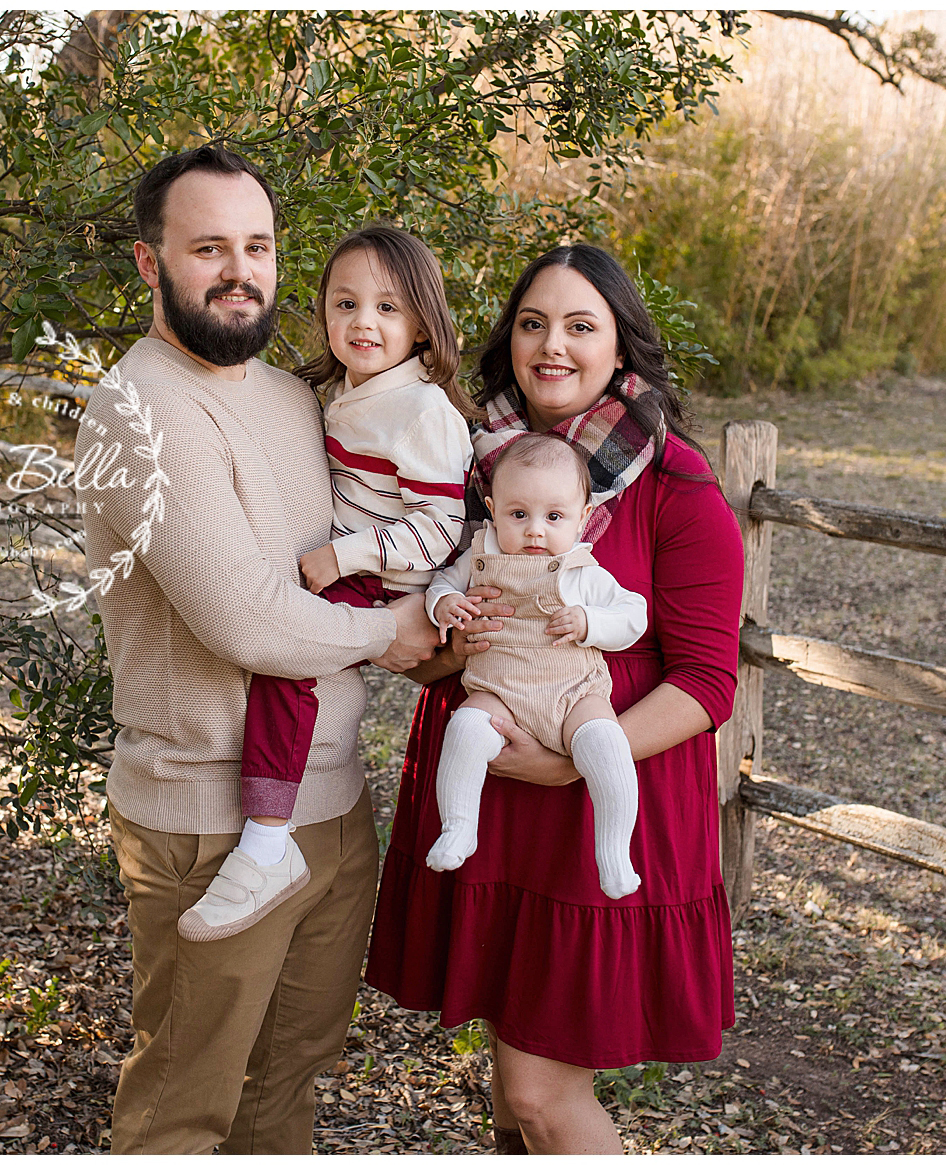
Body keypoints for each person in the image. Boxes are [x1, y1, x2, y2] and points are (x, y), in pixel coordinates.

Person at [75, 144, 438, 1154]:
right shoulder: (135, 412)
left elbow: (370, 543)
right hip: (208, 821)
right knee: (182, 1109)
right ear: (151, 265)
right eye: (207, 248)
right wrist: (392, 637)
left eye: (258, 246)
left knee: (286, 1088)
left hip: (328, 806)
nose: (238, 270)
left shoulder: (289, 397)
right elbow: (248, 619)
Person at [365, 244, 744, 1154]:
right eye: (532, 323)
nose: (552, 346)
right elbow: (428, 647)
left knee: (538, 1094)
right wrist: (425, 646)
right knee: (508, 1086)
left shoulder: (677, 488)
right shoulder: (468, 471)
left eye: (581, 326)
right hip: (488, 787)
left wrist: (570, 757)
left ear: (622, 349)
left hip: (601, 800)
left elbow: (705, 682)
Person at [179, 225, 478, 942]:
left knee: (288, 663)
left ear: (422, 326)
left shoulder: (421, 409)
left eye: (386, 308)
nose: (362, 323)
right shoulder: (344, 391)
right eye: (344, 304)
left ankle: (264, 842)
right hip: (359, 569)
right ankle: (271, 828)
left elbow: (439, 526)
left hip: (389, 583)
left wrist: (343, 560)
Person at [423, 433, 648, 899]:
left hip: (573, 694)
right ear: (492, 509)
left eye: (554, 517)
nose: (535, 531)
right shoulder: (482, 555)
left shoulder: (582, 571)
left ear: (583, 519)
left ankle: (613, 851)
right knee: (464, 730)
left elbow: (634, 615)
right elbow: (443, 580)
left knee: (606, 744)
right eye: (518, 514)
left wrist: (590, 623)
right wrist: (444, 602)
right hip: (497, 689)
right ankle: (459, 827)